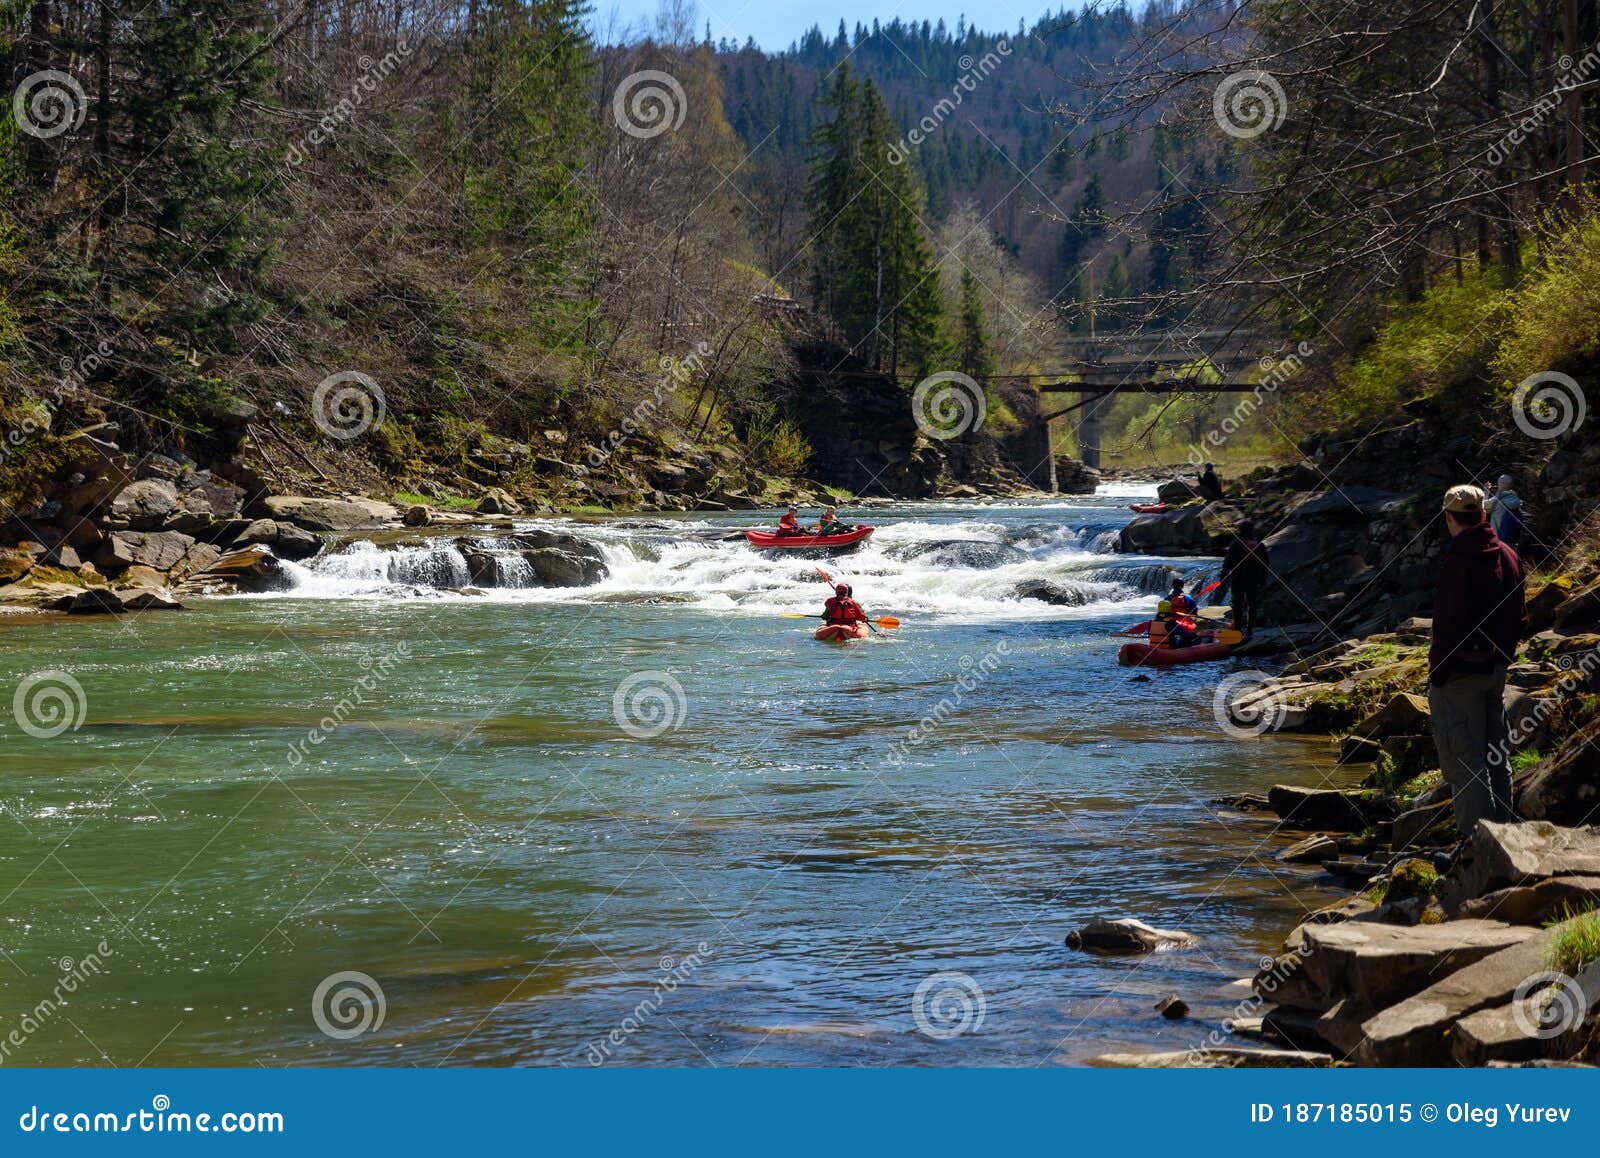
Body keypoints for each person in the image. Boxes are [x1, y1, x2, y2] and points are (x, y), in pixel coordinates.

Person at [1429, 484, 1527, 835]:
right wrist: (1502, 656)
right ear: (1484, 514)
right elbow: (1521, 616)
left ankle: (1476, 850)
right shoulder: (1509, 555)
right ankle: (1507, 840)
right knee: (1496, 758)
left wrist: (1438, 673)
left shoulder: (1458, 560)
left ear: (1449, 517)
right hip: (1495, 670)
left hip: (1458, 675)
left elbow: (1447, 623)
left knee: (1464, 764)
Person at [1218, 520, 1270, 638]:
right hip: (1254, 579)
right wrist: (1263, 580)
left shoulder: (1235, 543)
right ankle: (1250, 629)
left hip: (1238, 578)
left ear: (1240, 530)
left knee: (1238, 604)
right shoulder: (1259, 545)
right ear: (1252, 530)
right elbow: (1265, 565)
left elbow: (1227, 562)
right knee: (1252, 604)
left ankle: (1238, 630)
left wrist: (1223, 578)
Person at [1485, 474, 1524, 549]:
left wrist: (1486, 492)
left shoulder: (1496, 501)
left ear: (1500, 485)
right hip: (1512, 539)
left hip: (1498, 539)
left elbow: (1483, 506)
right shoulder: (1516, 499)